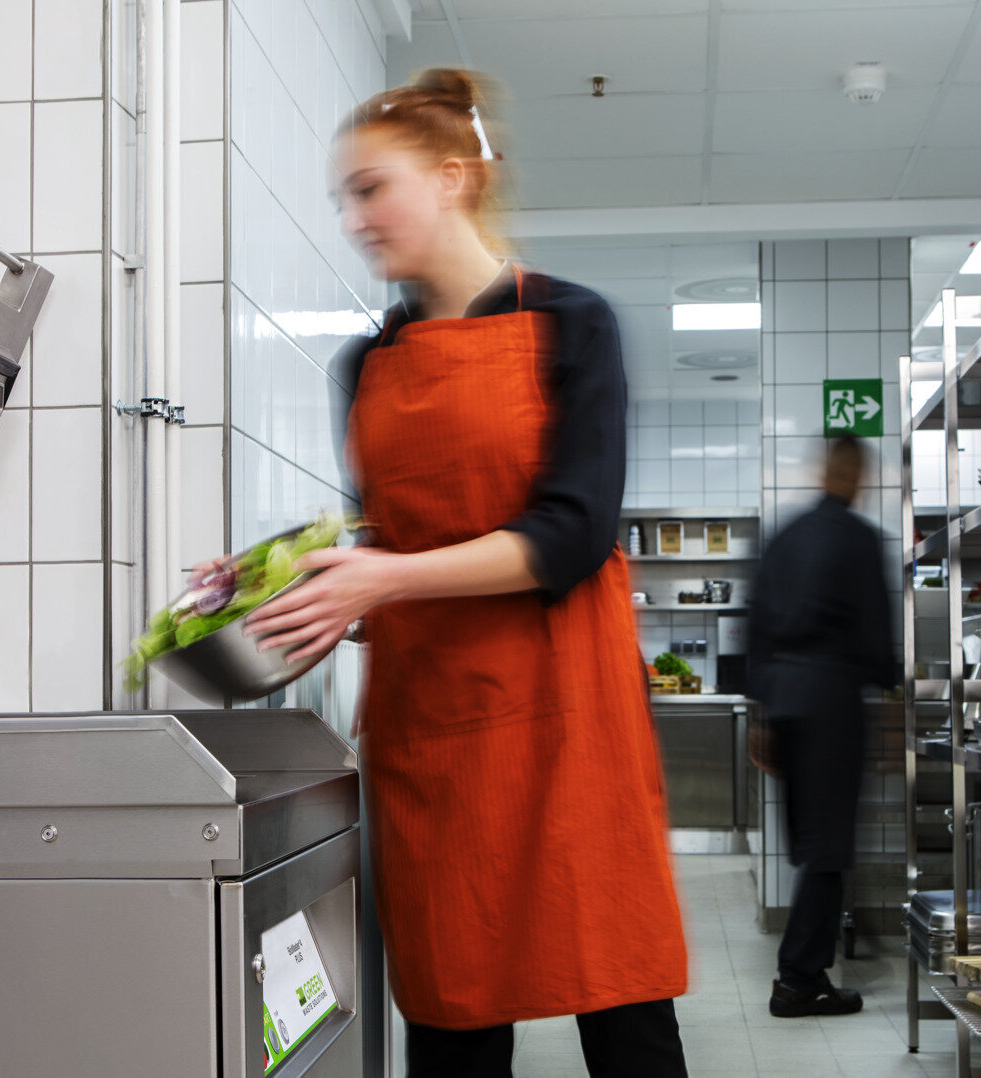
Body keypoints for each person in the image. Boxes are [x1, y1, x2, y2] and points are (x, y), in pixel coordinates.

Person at [236, 68, 690, 1077]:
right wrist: (301, 585)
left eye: (370, 188)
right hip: (437, 742)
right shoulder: (366, 363)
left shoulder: (575, 325)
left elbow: (568, 537)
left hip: (571, 729)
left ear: (452, 179)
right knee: (452, 1031)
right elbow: (391, 549)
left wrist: (378, 582)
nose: (355, 218)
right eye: (343, 198)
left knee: (625, 1024)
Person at [747, 433, 897, 1018]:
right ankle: (799, 979)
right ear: (850, 472)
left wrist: (761, 716)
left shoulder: (784, 536)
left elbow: (755, 622)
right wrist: (887, 708)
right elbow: (875, 636)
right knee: (828, 851)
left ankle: (801, 967)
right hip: (832, 700)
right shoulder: (857, 539)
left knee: (810, 843)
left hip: (783, 702)